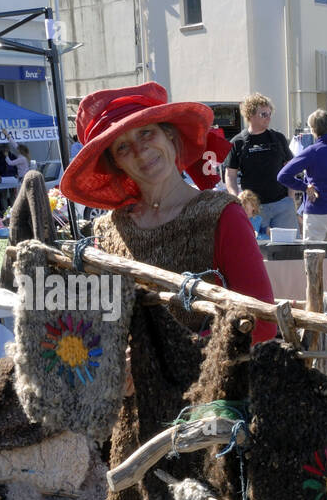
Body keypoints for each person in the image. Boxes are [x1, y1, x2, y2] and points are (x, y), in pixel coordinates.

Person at [59, 81, 277, 344]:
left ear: (169, 136)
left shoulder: (222, 215)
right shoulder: (107, 232)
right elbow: (104, 321)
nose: (140, 151)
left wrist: (166, 359)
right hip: (132, 384)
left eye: (146, 133)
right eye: (123, 147)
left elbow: (262, 322)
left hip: (215, 381)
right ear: (115, 164)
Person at [224, 93, 298, 235]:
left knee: (288, 250)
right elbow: (230, 175)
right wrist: (236, 197)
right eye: (263, 114)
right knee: (258, 250)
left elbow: (290, 168)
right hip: (254, 209)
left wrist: (290, 198)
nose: (268, 117)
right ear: (250, 115)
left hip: (282, 204)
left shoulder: (278, 138)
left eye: (270, 114)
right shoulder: (238, 142)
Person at [276, 109, 327, 243]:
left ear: (313, 130)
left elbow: (283, 175)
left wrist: (305, 187)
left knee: (312, 253)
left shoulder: (313, 151)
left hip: (318, 209)